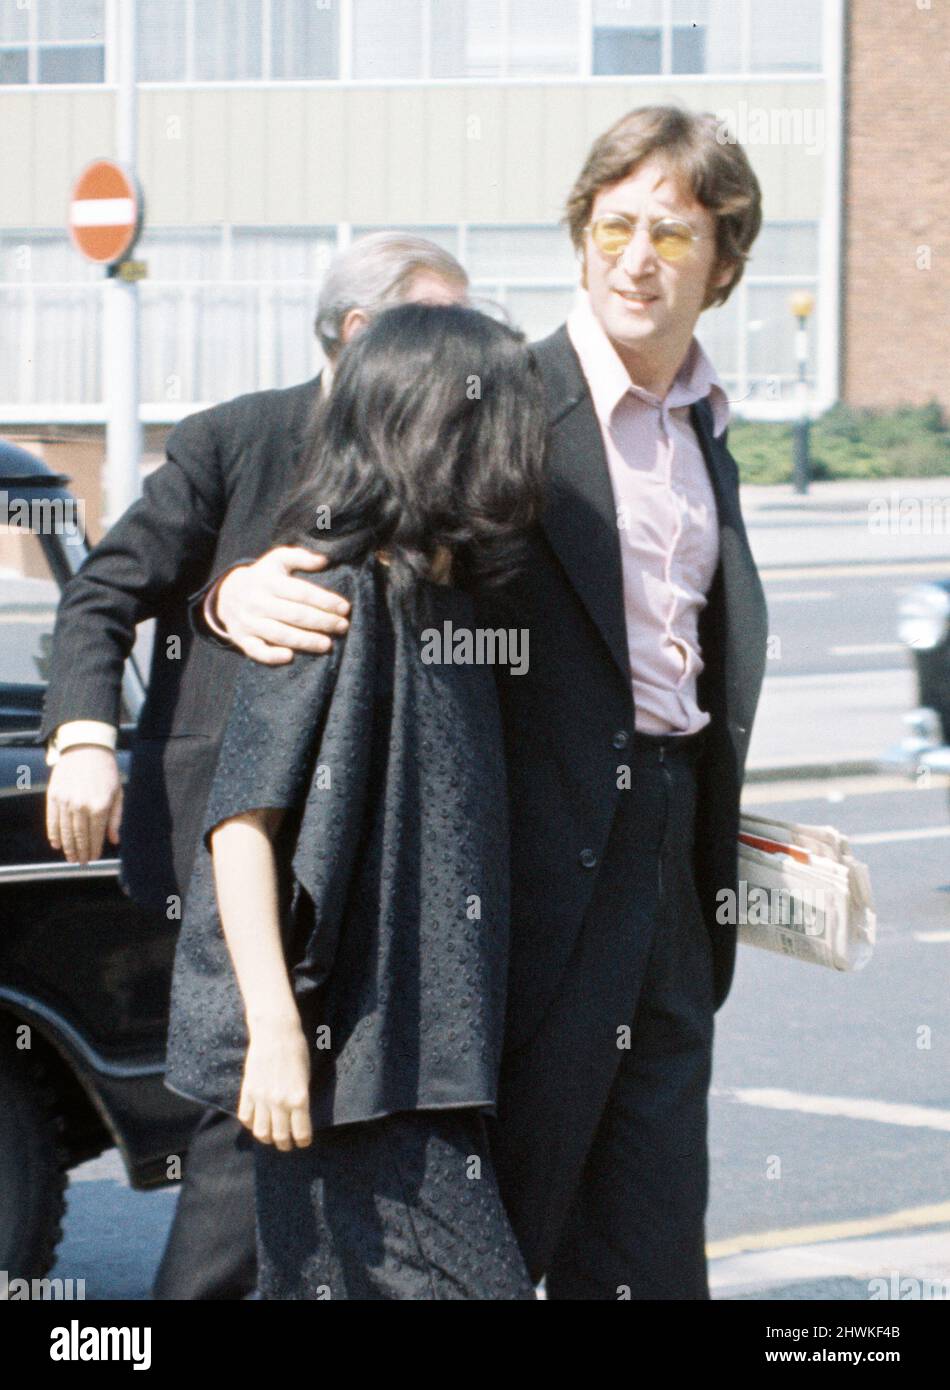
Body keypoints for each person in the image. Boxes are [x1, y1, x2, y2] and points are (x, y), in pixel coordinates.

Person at [197, 105, 771, 1299]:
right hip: (511, 892)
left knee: (656, 1223)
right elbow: (345, 509)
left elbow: (674, 659)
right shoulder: (497, 388)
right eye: (613, 225)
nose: (635, 256)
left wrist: (733, 819)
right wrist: (235, 590)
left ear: (722, 261)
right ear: (577, 237)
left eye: (671, 233)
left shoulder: (706, 428)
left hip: (667, 863)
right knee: (501, 1219)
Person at [39, 233, 470, 1299]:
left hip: (369, 861)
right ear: (363, 335)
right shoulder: (237, 437)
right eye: (436, 325)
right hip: (237, 843)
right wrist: (85, 737)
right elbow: (103, 595)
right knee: (245, 1137)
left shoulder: (440, 453)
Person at [162, 302, 548, 1299]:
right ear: (436, 430)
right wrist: (277, 1034)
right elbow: (241, 827)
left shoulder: (450, 599)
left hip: (415, 1074)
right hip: (352, 1078)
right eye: (506, 418)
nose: (525, 444)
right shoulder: (329, 595)